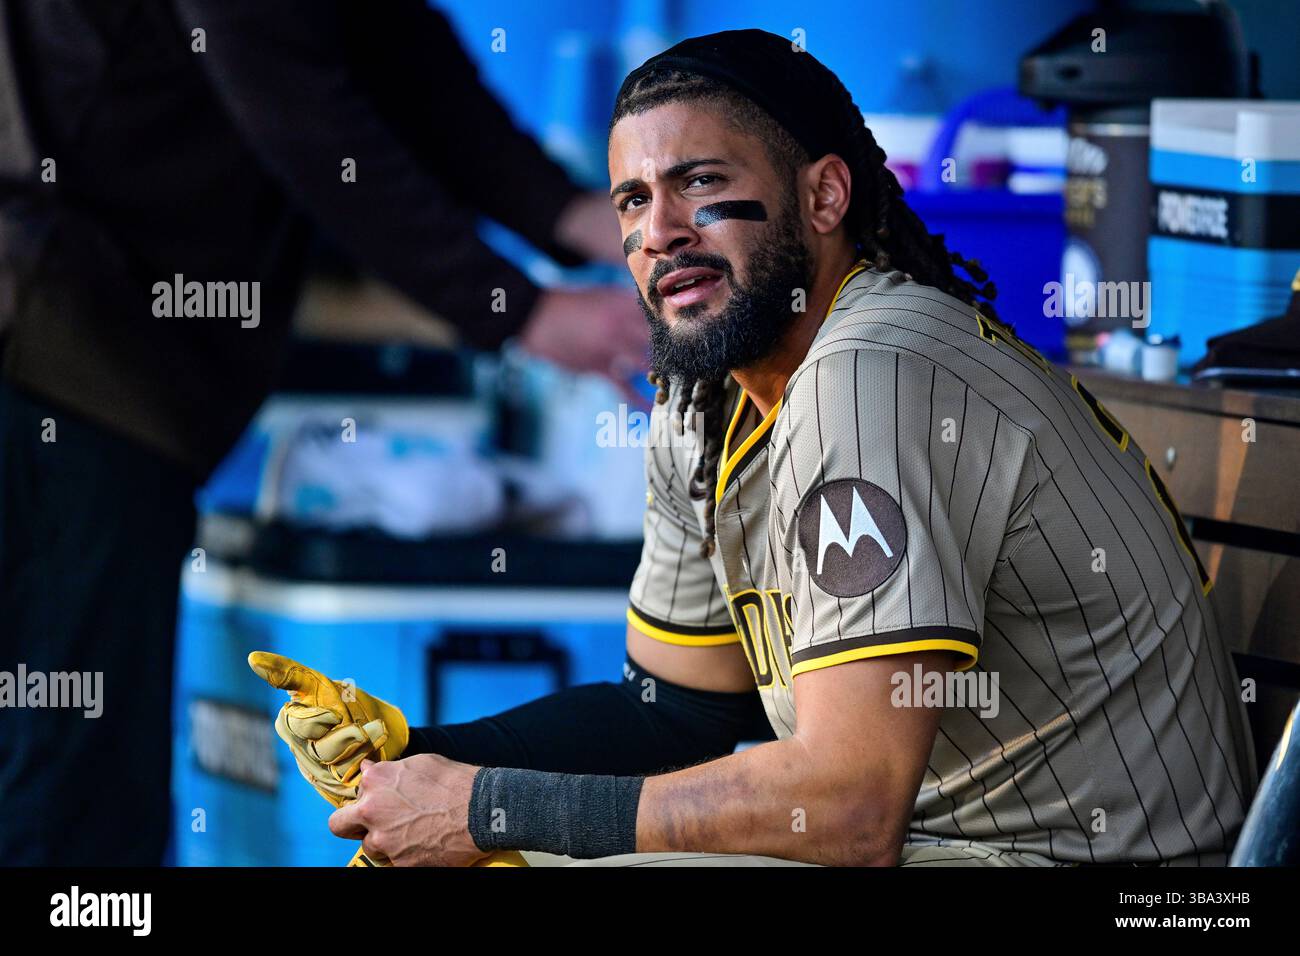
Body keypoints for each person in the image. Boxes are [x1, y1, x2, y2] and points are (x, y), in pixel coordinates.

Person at [282, 29, 1256, 867]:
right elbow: (674, 717)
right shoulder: (710, 392)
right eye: (629, 201)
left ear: (825, 196)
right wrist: (416, 757)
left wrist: (489, 806)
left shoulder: (871, 371)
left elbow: (846, 802)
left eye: (700, 183)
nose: (657, 231)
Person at [0, 0, 645, 865]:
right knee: (73, 775)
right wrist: (521, 310)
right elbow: (311, 129)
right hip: (56, 358)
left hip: (97, 373)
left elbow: (414, 76)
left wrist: (610, 220)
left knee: (76, 762)